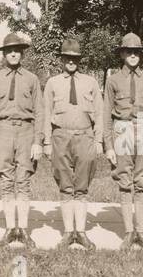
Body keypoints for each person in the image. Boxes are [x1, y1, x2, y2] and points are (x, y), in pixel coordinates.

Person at [103, 33, 143, 250]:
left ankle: (141, 232)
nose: (133, 55)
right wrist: (108, 146)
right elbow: (106, 115)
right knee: (124, 181)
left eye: (136, 52)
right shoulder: (113, 80)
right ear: (122, 54)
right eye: (128, 51)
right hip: (122, 130)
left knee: (142, 182)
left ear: (141, 55)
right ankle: (128, 233)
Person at [0, 32, 43, 247]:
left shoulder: (32, 79)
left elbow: (40, 112)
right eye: (10, 51)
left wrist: (38, 141)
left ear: (22, 53)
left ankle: (23, 230)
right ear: (4, 54)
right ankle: (9, 230)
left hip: (26, 131)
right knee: (7, 182)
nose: (14, 54)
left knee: (23, 182)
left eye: (17, 50)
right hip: (3, 130)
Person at [41, 37, 104, 250]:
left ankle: (82, 233)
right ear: (62, 59)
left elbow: (100, 113)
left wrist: (98, 140)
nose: (71, 61)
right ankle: (69, 233)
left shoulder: (91, 82)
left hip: (85, 136)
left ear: (79, 60)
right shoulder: (53, 83)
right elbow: (46, 112)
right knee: (65, 185)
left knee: (82, 186)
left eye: (74, 58)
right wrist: (47, 142)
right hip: (60, 136)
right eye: (67, 57)